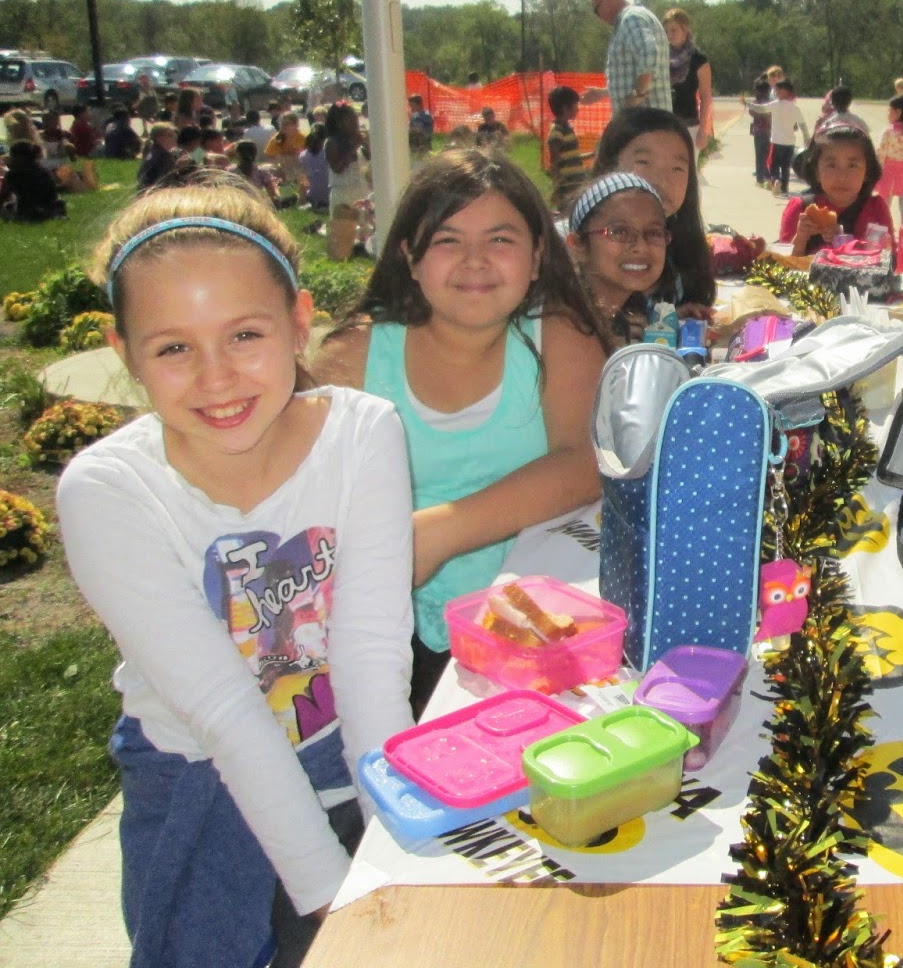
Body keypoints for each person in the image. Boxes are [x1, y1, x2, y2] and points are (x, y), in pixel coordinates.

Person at [57, 178, 415, 968]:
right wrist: (333, 897)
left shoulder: (363, 435)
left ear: (297, 323)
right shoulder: (108, 492)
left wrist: (395, 833)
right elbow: (224, 711)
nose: (216, 379)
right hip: (195, 780)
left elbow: (367, 655)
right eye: (174, 347)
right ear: (127, 355)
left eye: (245, 335)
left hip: (342, 750)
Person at [313, 149, 608, 711]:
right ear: (410, 256)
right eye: (447, 240)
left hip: (538, 625)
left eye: (501, 240)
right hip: (386, 634)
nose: (475, 261)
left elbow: (583, 463)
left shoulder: (558, 338)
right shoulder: (355, 356)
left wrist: (437, 534)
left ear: (538, 255)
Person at [590, 108, 715, 317]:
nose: (661, 181)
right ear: (608, 168)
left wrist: (667, 321)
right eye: (644, 163)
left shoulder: (680, 249)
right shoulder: (581, 247)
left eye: (677, 168)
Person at [565, 172, 669, 347]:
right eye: (619, 231)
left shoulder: (622, 319)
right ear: (578, 245)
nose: (640, 247)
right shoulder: (564, 327)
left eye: (653, 233)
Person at [779, 124, 893, 255]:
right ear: (816, 172)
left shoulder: (876, 208)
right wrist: (801, 237)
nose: (842, 177)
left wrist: (841, 238)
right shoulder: (801, 208)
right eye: (831, 165)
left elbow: (889, 259)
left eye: (853, 165)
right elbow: (783, 265)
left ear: (867, 171)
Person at [582, 0, 671, 113]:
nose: (598, 17)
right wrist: (604, 93)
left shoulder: (631, 19)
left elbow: (649, 53)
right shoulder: (631, 19)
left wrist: (637, 95)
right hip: (646, 123)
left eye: (596, 10)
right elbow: (633, 75)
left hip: (644, 123)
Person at [663, 7, 715, 150]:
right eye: (666, 31)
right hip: (664, 124)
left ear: (685, 29)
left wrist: (703, 131)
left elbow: (706, 96)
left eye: (674, 30)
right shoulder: (661, 56)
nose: (669, 35)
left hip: (689, 124)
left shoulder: (699, 59)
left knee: (688, 170)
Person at [745, 80, 807, 194]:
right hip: (789, 143)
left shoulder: (775, 104)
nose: (776, 92)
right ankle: (785, 187)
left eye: (778, 90)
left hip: (776, 142)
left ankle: (776, 180)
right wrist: (806, 138)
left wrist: (747, 104)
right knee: (785, 166)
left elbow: (761, 109)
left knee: (773, 164)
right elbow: (802, 124)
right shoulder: (795, 108)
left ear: (785, 92)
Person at [324, 103, 367, 261]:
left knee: (365, 225)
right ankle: (342, 253)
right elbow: (338, 168)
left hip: (361, 188)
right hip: (342, 191)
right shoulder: (331, 143)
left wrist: (365, 143)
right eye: (349, 119)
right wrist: (352, 147)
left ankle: (363, 249)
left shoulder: (359, 139)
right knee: (342, 226)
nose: (353, 121)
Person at [544, 84, 590, 214]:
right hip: (568, 189)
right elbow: (555, 162)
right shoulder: (557, 132)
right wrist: (557, 190)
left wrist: (593, 154)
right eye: (576, 105)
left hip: (577, 185)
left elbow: (573, 157)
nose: (578, 109)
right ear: (565, 108)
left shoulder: (568, 130)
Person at [1, 140, 67, 221]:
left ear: (17, 157)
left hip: (28, 212)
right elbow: (53, 194)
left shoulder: (13, 174)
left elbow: (3, 196)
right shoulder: (44, 171)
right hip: (50, 208)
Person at [137, 123, 179, 191]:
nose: (175, 137)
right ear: (158, 138)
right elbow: (167, 182)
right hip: (157, 194)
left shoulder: (152, 152)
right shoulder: (164, 156)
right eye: (170, 135)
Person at [266, 112, 307, 181]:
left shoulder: (304, 138)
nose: (284, 126)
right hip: (282, 170)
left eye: (288, 124)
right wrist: (282, 155)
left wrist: (296, 154)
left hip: (300, 169)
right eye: (282, 124)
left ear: (296, 124)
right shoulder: (277, 138)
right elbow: (269, 156)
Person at [748, 77, 773, 186]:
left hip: (758, 131)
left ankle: (760, 178)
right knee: (768, 155)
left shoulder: (756, 102)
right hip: (769, 131)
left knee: (759, 155)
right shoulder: (770, 103)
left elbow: (751, 112)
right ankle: (768, 177)